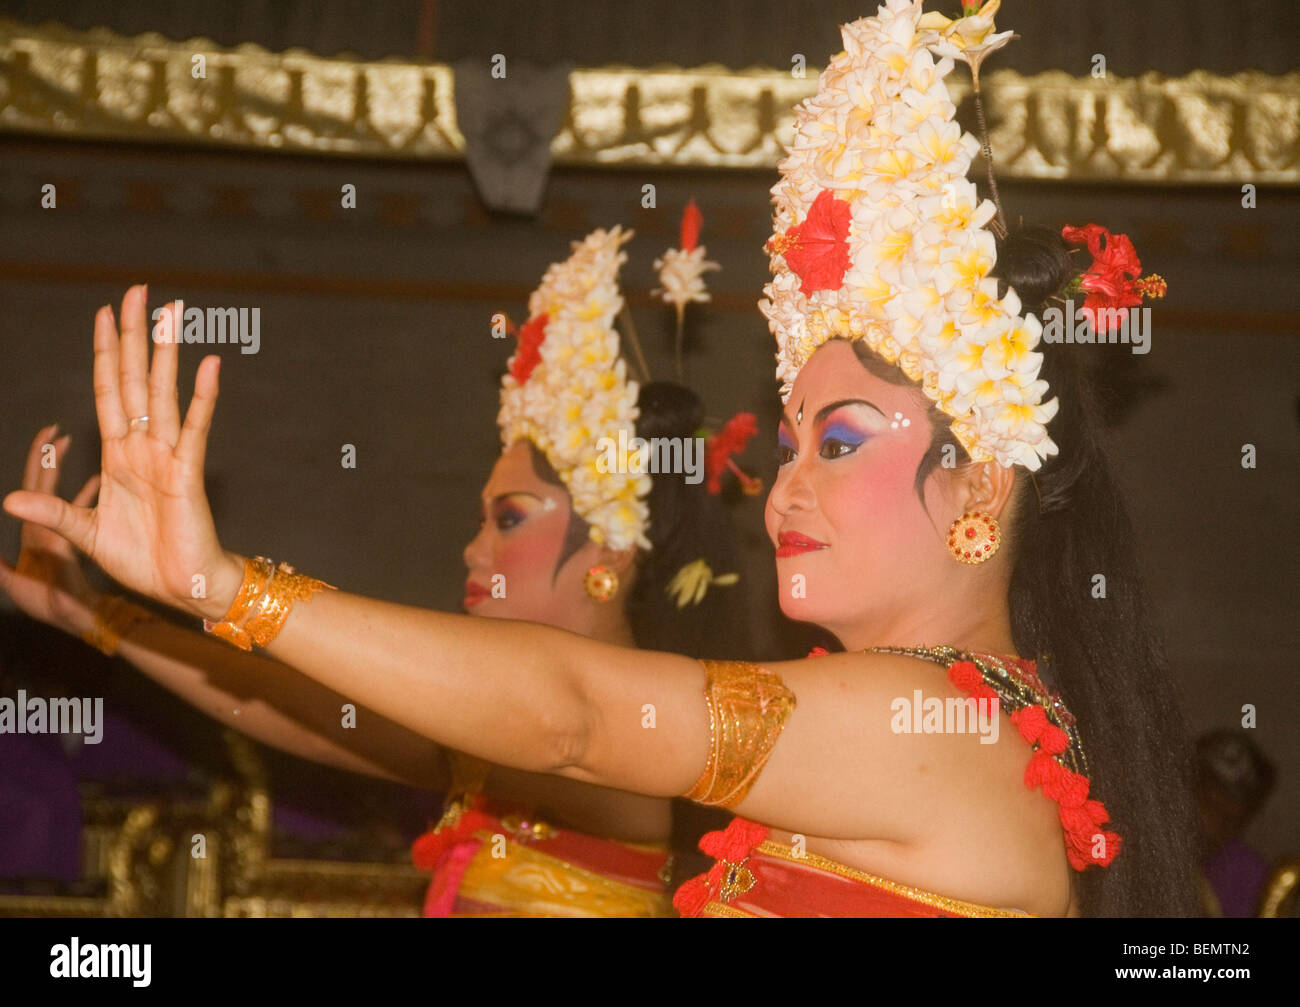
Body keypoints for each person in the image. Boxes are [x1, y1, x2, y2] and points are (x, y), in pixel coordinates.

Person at [4, 0, 1199, 916]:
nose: (784, 486)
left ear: (982, 479)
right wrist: (119, 620)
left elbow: (578, 716)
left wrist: (219, 584)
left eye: (839, 443)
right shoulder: (938, 712)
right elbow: (347, 721)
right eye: (790, 444)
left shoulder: (931, 715)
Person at [1, 226, 757, 917]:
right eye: (482, 519)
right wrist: (96, 616)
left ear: (613, 549)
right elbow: (296, 706)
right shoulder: (496, 723)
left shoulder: (626, 717)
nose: (474, 548)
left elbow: (566, 718)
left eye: (510, 518)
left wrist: (220, 583)